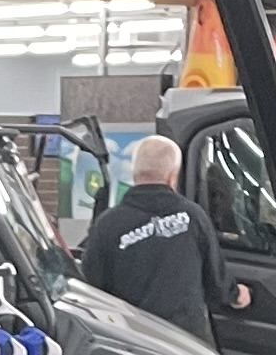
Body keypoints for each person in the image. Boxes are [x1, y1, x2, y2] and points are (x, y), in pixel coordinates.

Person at [77, 132, 222, 341]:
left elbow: (92, 287)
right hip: (188, 348)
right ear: (172, 175)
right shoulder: (194, 217)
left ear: (135, 175)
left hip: (132, 346)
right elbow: (216, 282)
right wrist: (238, 295)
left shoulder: (107, 224)